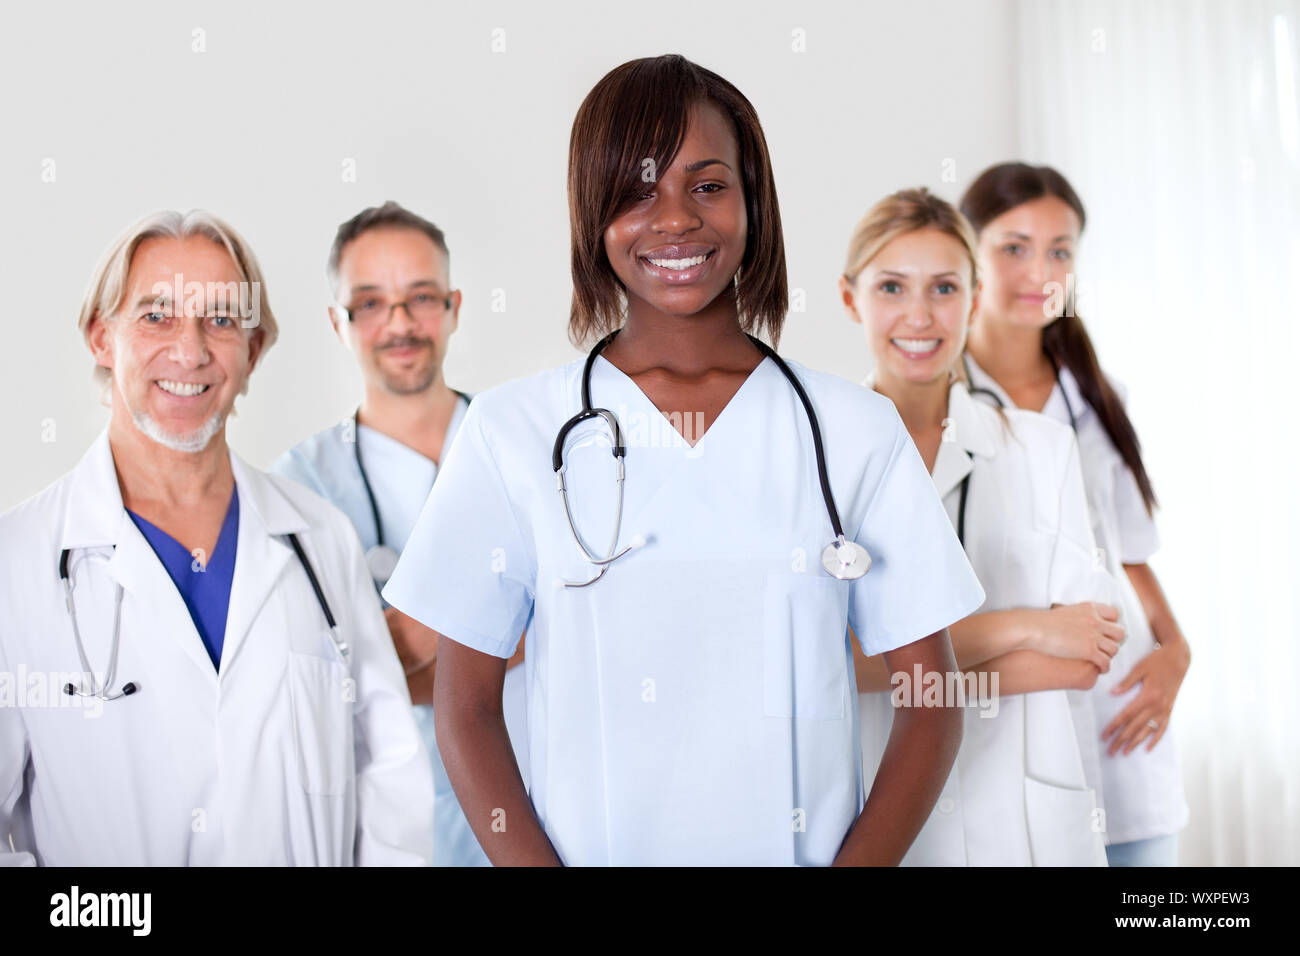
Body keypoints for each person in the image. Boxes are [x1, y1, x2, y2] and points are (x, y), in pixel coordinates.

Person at [383, 54, 985, 866]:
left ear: (753, 204)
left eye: (707, 186)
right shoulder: (512, 431)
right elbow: (464, 707)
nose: (675, 220)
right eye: (636, 192)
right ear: (594, 213)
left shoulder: (853, 430)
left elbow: (932, 698)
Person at [0, 210, 433, 865]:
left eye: (222, 319)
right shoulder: (19, 560)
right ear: (100, 338)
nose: (191, 349)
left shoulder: (319, 539)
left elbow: (390, 778)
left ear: (253, 350)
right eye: (156, 314)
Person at [840, 188, 1119, 865]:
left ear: (975, 294)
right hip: (881, 814)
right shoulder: (822, 460)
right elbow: (832, 665)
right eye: (891, 287)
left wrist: (899, 664)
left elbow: (1083, 657)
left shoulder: (1042, 449)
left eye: (943, 287)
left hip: (1020, 825)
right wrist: (1028, 627)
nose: (918, 315)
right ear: (850, 299)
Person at [272, 202, 527, 867]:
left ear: (454, 307)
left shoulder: (524, 450)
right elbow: (314, 686)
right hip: (396, 831)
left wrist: (401, 643)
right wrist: (495, 633)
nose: (401, 324)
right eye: (371, 303)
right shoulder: (297, 488)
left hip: (543, 805)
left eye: (420, 298)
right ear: (338, 321)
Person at [959, 162, 1190, 866]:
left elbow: (1129, 549)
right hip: (1004, 694)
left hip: (1122, 702)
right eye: (1014, 246)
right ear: (967, 251)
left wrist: (1177, 651)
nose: (1041, 270)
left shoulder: (1099, 393)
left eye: (1061, 250)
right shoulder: (939, 397)